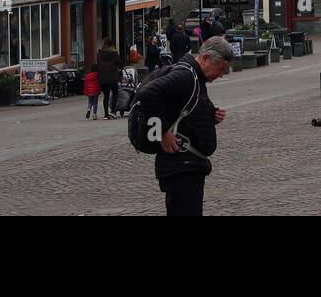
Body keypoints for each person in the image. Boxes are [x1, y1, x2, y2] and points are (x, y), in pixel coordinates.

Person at [136, 36, 230, 216]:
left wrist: (211, 116)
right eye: (220, 69)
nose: (221, 75)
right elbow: (149, 93)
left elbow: (184, 111)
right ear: (205, 59)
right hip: (180, 166)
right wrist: (162, 133)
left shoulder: (196, 77)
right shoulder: (186, 75)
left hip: (188, 166)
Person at [96, 39, 123, 120]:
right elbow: (120, 63)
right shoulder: (114, 54)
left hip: (103, 77)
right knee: (115, 93)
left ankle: (106, 114)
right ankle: (113, 111)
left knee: (106, 95)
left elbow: (98, 63)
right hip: (112, 77)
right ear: (111, 45)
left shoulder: (100, 54)